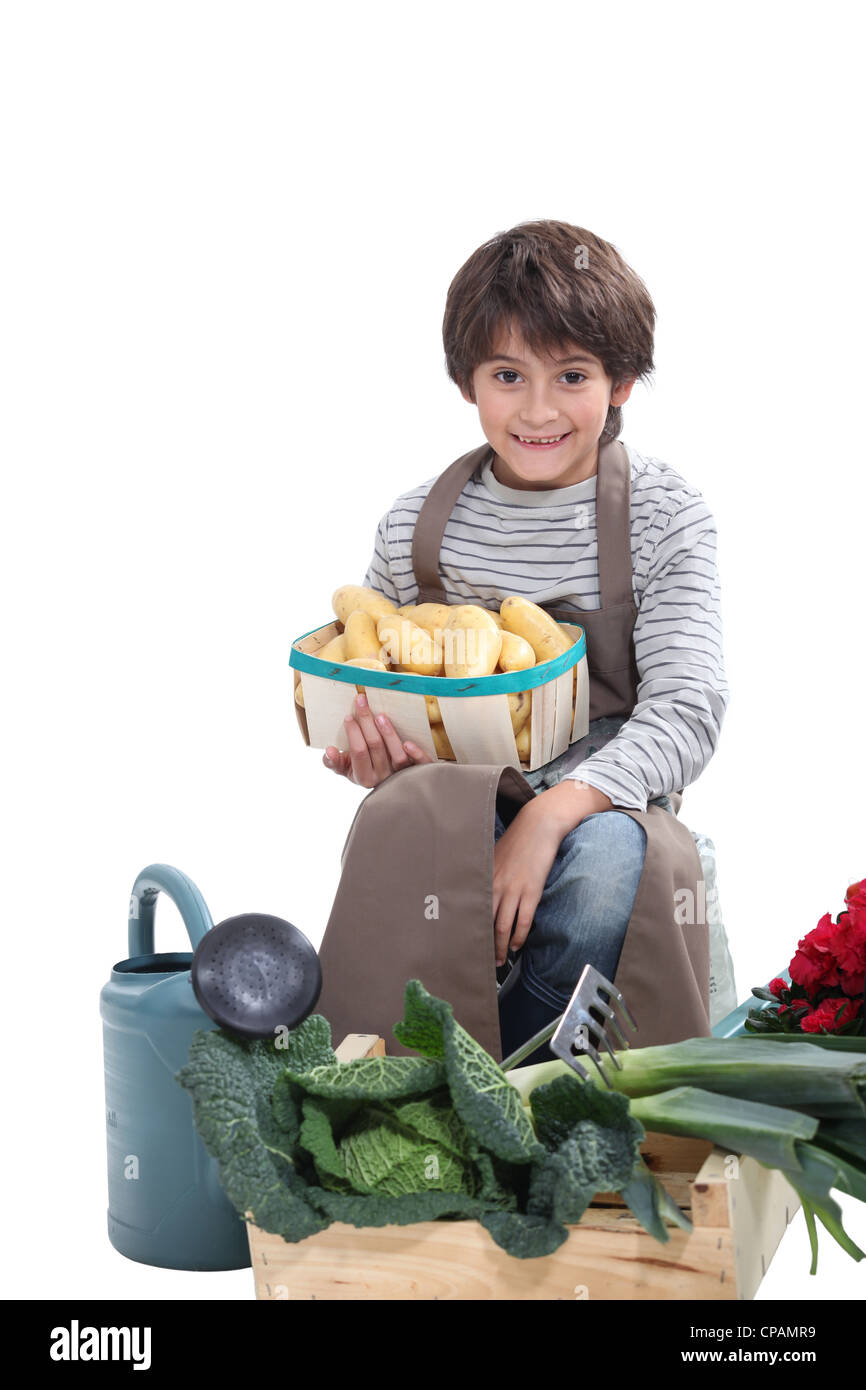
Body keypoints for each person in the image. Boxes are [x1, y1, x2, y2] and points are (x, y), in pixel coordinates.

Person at [318, 219, 727, 1063]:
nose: (538, 410)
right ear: (468, 384)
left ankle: (510, 1079)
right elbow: (384, 692)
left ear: (621, 382)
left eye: (571, 375)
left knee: (607, 858)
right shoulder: (416, 527)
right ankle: (438, 1076)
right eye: (508, 375)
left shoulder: (660, 515)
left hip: (605, 801)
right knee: (397, 822)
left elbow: (689, 709)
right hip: (453, 797)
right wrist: (374, 752)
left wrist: (548, 813)